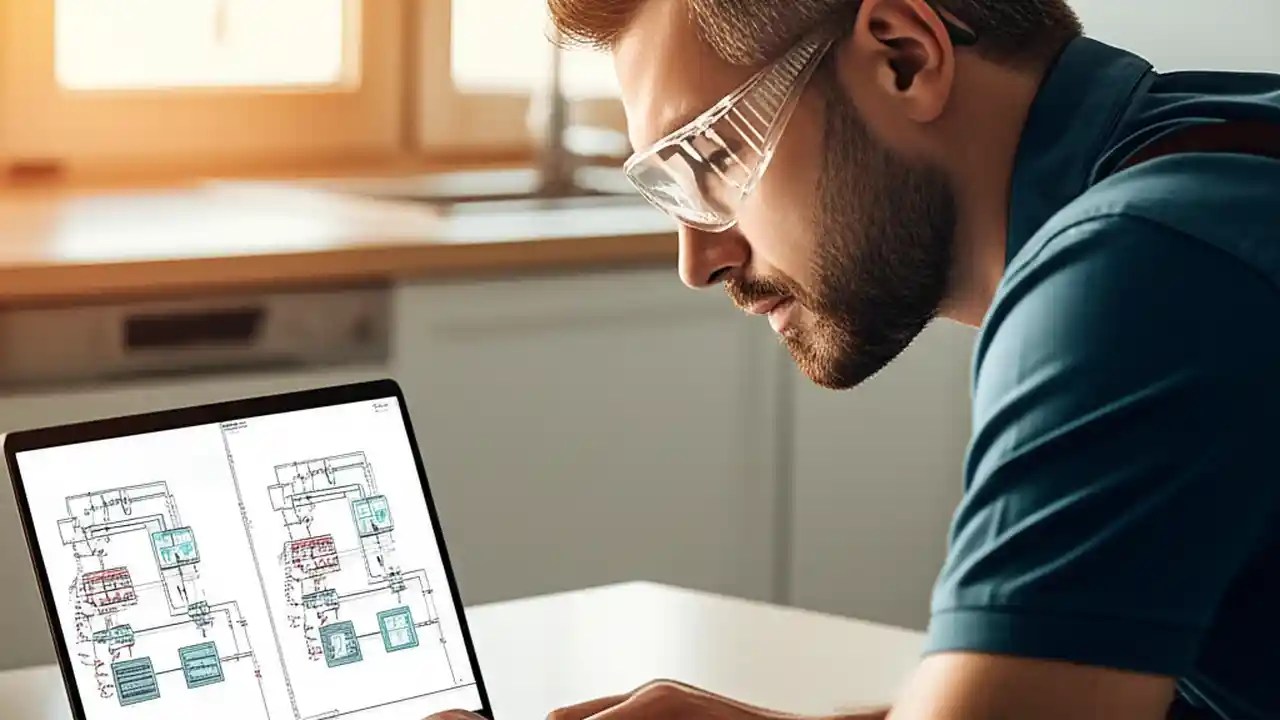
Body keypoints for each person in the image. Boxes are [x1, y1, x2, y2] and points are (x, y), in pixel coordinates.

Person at [432, 0, 1280, 717]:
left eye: (709, 160)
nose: (700, 257)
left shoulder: (1138, 270)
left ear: (903, 58)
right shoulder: (1218, 153)